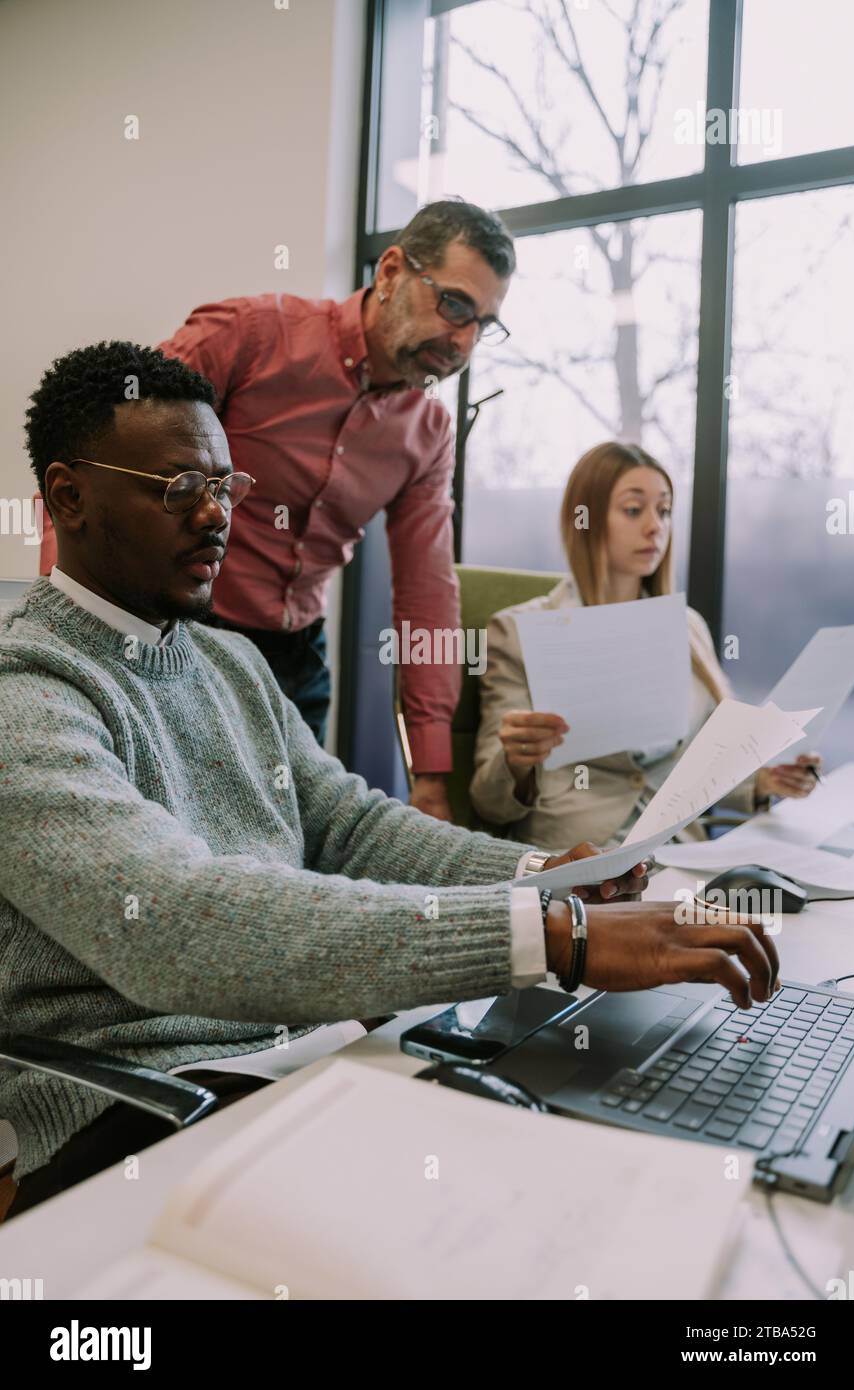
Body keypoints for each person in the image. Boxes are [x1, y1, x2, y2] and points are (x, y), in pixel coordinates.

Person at [1, 349, 780, 1216]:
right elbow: (173, 921)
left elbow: (352, 827)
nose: (219, 514)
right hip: (145, 1107)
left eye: (229, 485)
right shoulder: (25, 691)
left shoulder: (229, 660)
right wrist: (551, 933)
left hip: (312, 1053)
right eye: (182, 487)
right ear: (68, 497)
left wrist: (539, 877)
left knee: (621, 1175)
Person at [36, 199, 518, 822]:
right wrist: (68, 622)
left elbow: (426, 595)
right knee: (166, 831)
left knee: (285, 845)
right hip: (186, 635)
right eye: (455, 305)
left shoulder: (427, 432)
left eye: (484, 324)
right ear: (393, 270)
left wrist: (429, 774)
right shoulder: (251, 336)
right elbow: (94, 458)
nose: (463, 340)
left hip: (296, 663)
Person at [470, 442, 821, 849]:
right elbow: (489, 805)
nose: (656, 526)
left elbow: (707, 764)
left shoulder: (687, 628)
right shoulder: (519, 632)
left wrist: (765, 781)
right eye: (634, 510)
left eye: (665, 510)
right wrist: (516, 761)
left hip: (680, 852)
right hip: (577, 858)